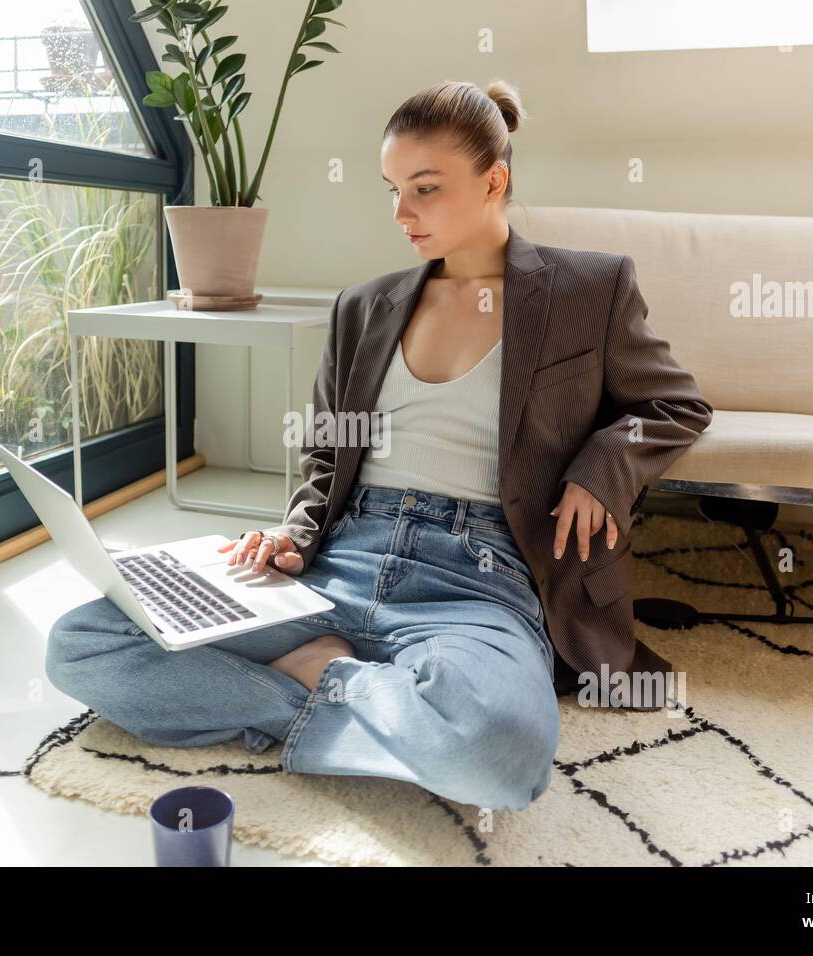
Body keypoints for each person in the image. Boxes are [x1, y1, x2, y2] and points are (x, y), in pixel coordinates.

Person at [45, 79, 713, 812]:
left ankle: (307, 684)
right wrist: (293, 534)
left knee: (501, 752)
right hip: (339, 558)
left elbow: (673, 404)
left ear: (496, 179)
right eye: (392, 189)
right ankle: (336, 683)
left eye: (425, 188)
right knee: (85, 643)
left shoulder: (590, 288)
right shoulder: (365, 305)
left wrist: (601, 467)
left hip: (480, 576)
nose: (401, 213)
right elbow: (329, 450)